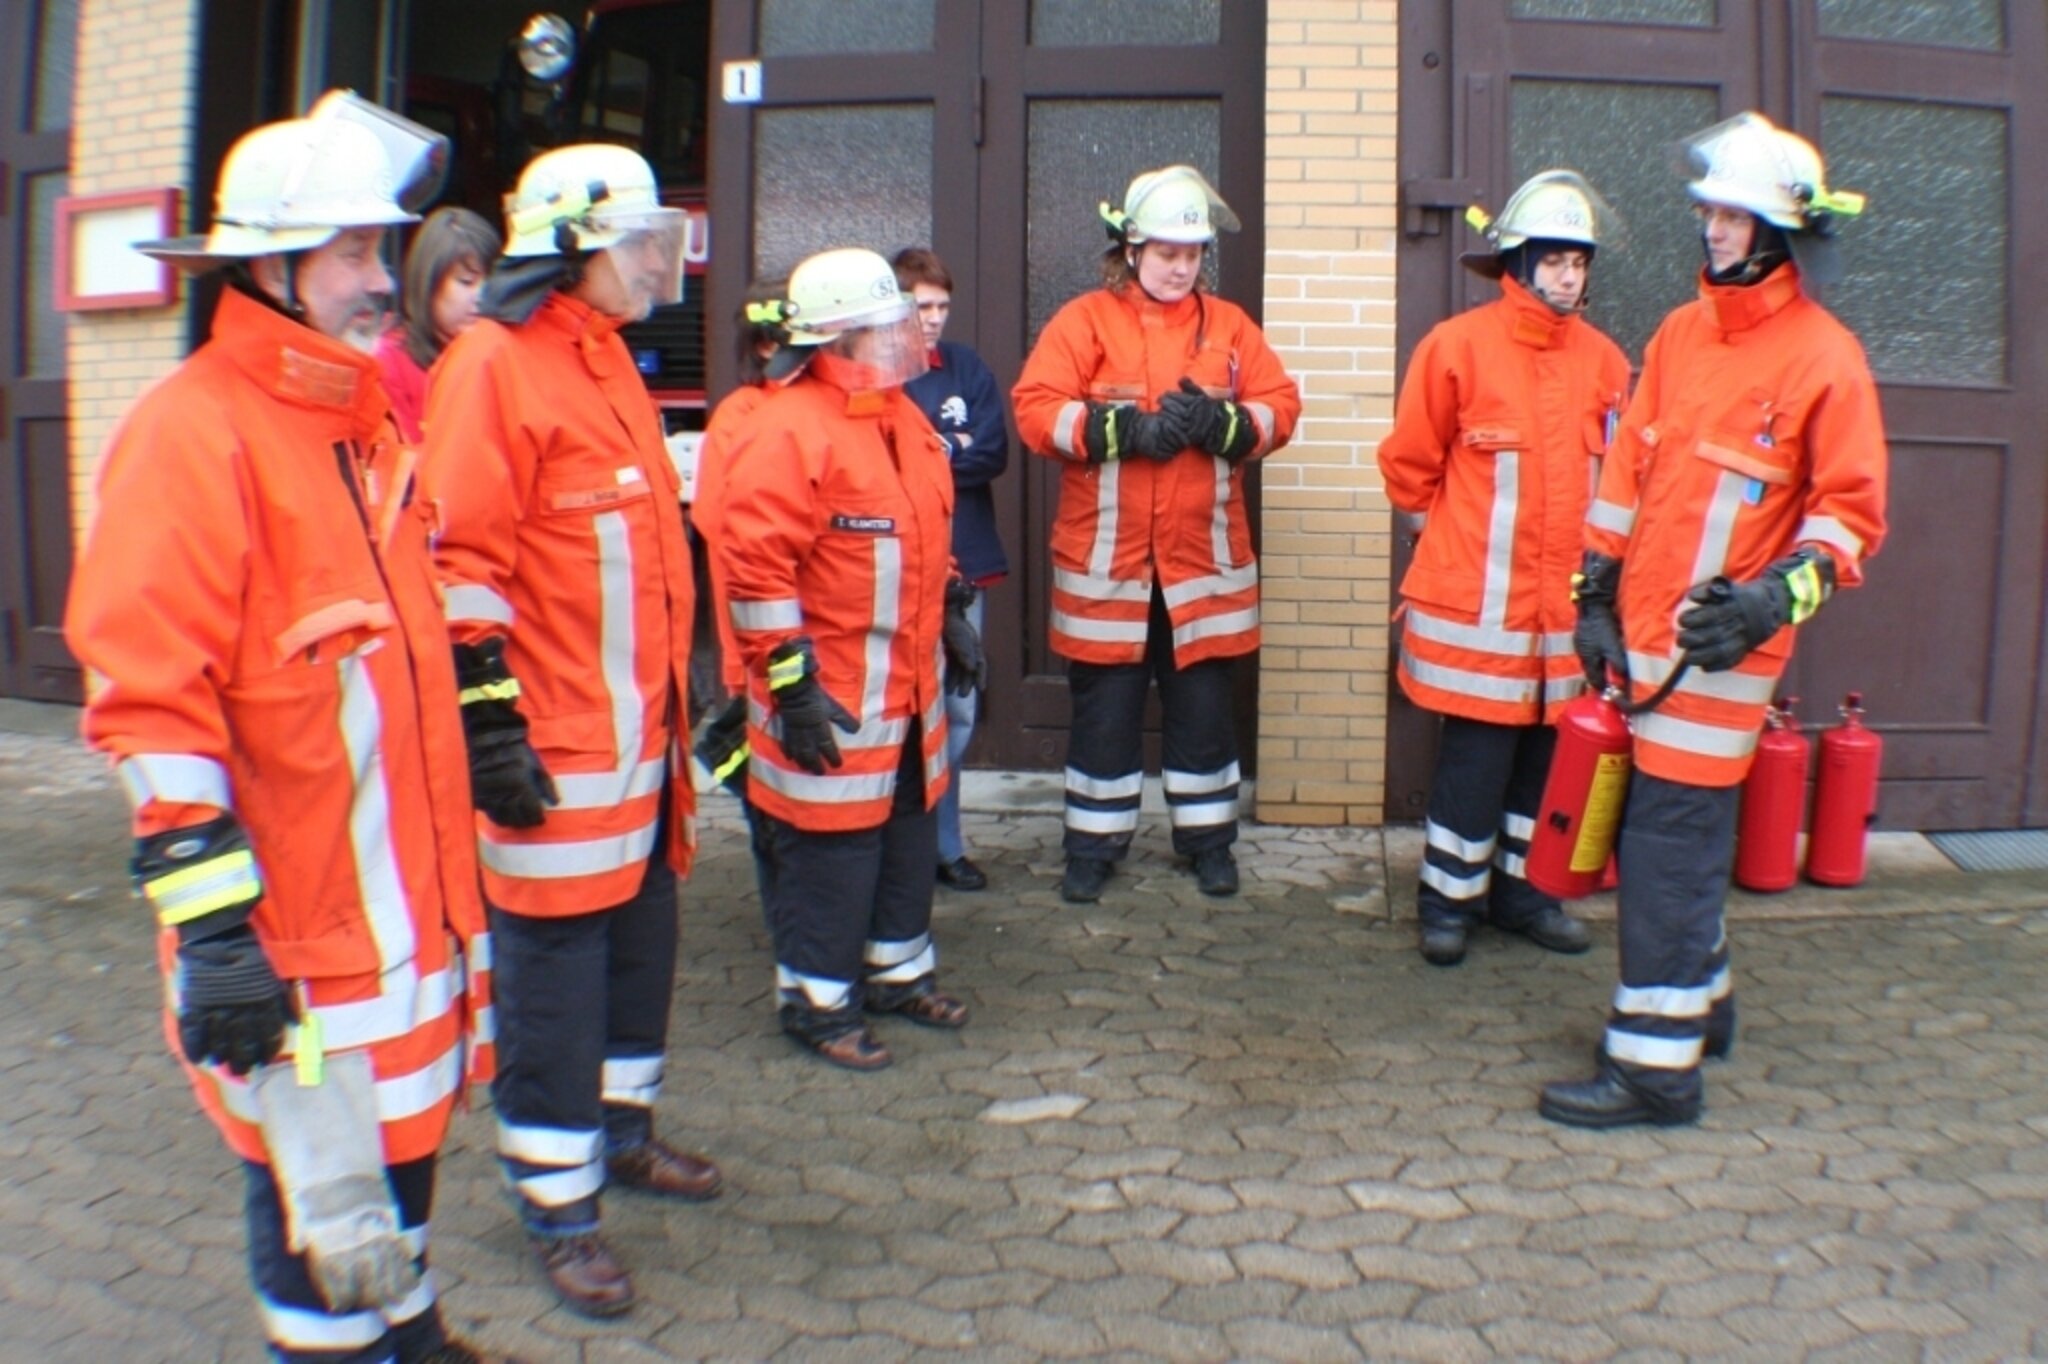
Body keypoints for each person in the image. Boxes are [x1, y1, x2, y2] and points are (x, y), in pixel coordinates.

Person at [64, 94, 514, 1364]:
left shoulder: (361, 419)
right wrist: (210, 926)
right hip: (295, 936)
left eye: (385, 250)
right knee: (313, 1205)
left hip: (402, 914)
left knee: (406, 1157)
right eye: (359, 254)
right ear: (272, 266)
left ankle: (408, 1331)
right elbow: (151, 702)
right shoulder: (191, 432)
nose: (389, 279)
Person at [1540, 112, 1887, 1129]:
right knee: (1667, 849)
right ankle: (1704, 1006)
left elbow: (1848, 518)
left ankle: (1655, 1068)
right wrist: (1591, 593)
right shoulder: (1679, 334)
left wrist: (1771, 599)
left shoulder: (1824, 357)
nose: (1709, 228)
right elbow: (1624, 477)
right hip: (1641, 640)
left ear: (1776, 228)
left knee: (1662, 850)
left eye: (1728, 214)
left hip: (1720, 654)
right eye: (1706, 210)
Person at [419, 142, 717, 1317]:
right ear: (571, 247)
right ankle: (558, 1204)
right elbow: (459, 563)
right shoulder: (493, 367)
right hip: (550, 758)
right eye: (638, 242)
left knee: (638, 955)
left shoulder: (603, 363)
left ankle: (624, 1133)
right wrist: (492, 728)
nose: (656, 262)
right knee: (551, 979)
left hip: (639, 750)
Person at [717, 246, 983, 1071]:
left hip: (906, 690)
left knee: (906, 838)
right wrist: (788, 680)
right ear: (836, 339)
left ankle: (897, 974)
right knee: (830, 854)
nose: (907, 340)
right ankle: (817, 1003)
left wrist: (951, 610)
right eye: (886, 328)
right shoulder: (788, 428)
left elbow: (920, 533)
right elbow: (755, 565)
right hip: (830, 695)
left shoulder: (900, 417)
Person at [1012, 164, 1301, 904]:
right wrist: (1122, 429)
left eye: (1193, 253)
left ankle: (1208, 843)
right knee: (1104, 714)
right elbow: (1036, 409)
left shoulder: (1230, 326)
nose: (1181, 266)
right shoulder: (1084, 321)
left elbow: (1280, 409)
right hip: (1107, 568)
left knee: (1203, 711)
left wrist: (1222, 423)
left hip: (1203, 570)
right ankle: (1092, 848)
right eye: (1167, 251)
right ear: (1131, 249)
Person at [1377, 170, 1631, 967]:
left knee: (1545, 768)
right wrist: (1441, 537)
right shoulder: (1456, 347)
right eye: (1553, 260)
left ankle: (1525, 897)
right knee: (1475, 763)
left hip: (1564, 623)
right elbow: (1408, 466)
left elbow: (1622, 481)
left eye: (1578, 262)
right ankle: (1447, 904)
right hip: (1476, 615)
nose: (1567, 276)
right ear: (1517, 264)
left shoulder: (1603, 361)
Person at [893, 246, 1010, 893]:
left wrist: (936, 451)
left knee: (958, 716)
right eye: (920, 307)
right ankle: (903, 844)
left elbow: (992, 451)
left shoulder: (965, 367)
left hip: (966, 568)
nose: (933, 319)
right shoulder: (875, 374)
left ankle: (944, 846)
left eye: (941, 306)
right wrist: (944, 449)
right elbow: (885, 469)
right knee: (904, 712)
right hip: (899, 572)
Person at [376, 206, 501, 441]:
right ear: (428, 284)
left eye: (490, 282)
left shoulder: (501, 355)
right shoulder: (389, 362)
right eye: (466, 282)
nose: (481, 296)